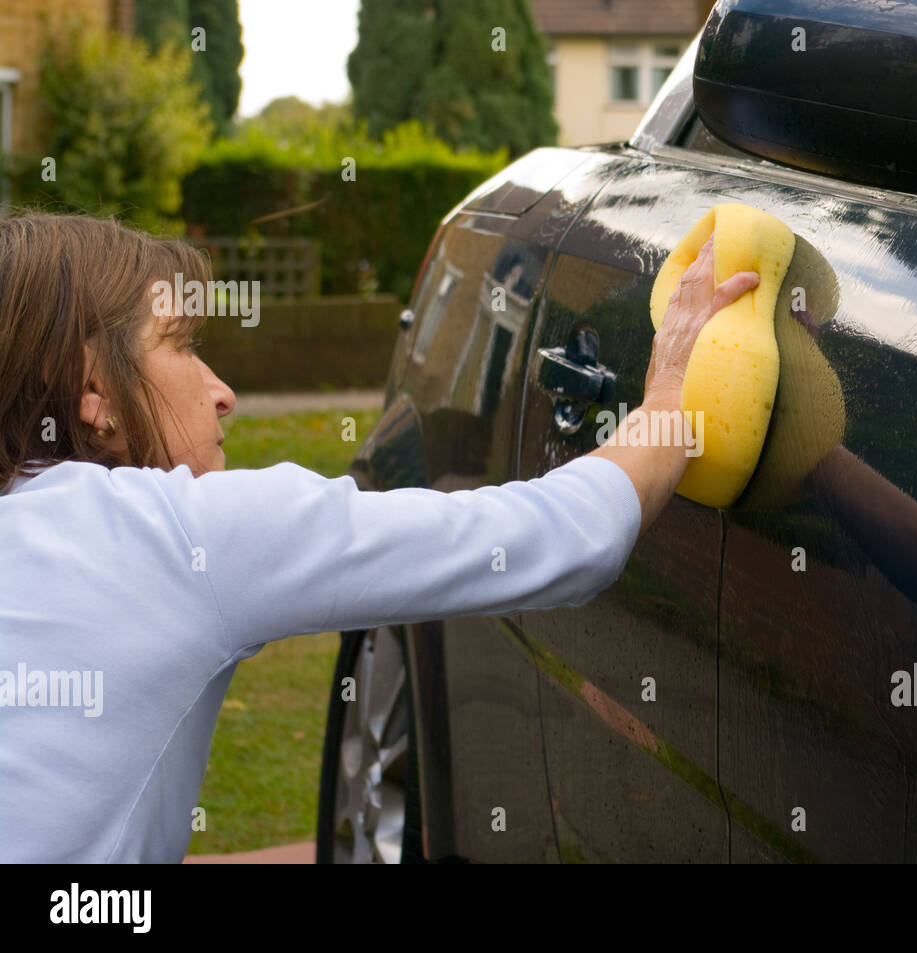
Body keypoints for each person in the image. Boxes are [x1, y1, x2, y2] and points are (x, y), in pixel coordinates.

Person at [0, 212, 759, 862]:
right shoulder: (180, 536)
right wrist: (670, 396)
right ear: (92, 386)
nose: (221, 391)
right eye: (183, 344)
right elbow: (564, 535)